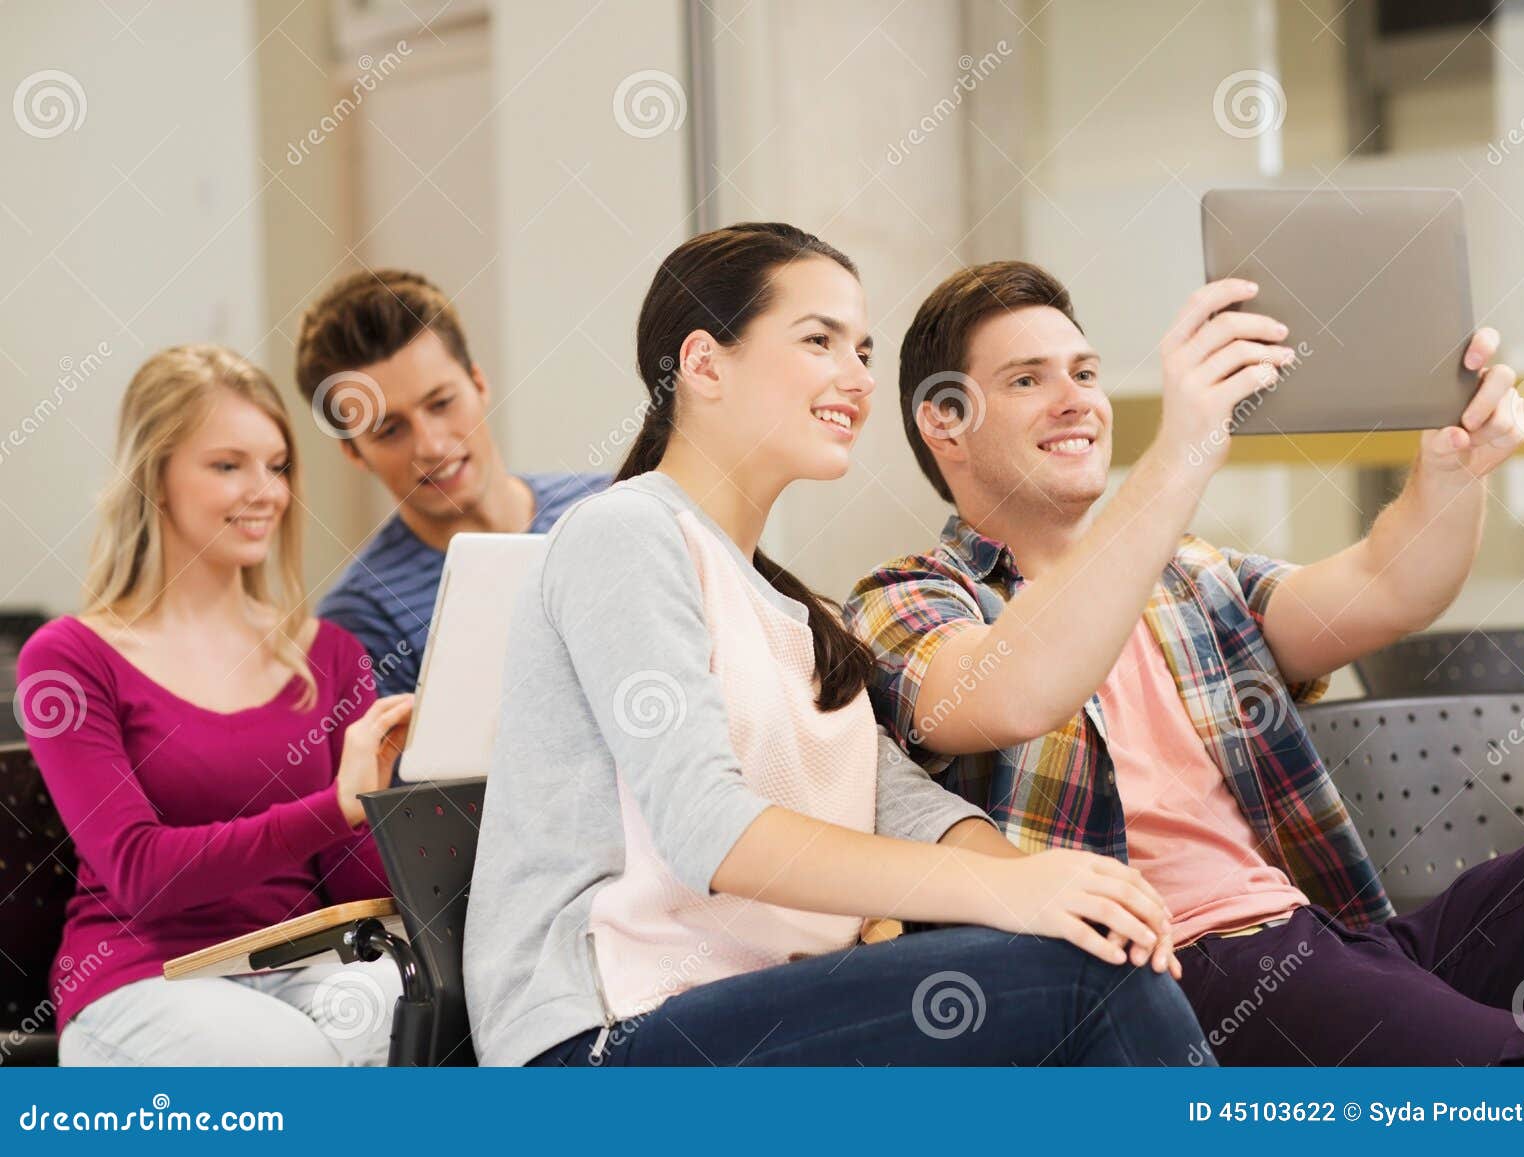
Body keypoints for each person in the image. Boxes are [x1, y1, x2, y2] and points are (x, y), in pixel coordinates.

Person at [464, 224, 1212, 1068]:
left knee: (1100, 953)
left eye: (862, 349)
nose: (858, 379)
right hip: (603, 1035)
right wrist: (1010, 890)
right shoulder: (624, 534)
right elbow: (714, 830)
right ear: (704, 365)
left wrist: (1058, 890)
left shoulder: (793, 606)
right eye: (819, 340)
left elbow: (908, 809)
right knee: (1089, 986)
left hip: (741, 1004)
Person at [846, 259, 1524, 1066]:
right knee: (1517, 1086)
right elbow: (1010, 691)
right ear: (945, 421)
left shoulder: (1187, 574)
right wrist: (1187, 444)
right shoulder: (908, 601)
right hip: (1177, 976)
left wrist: (1450, 470)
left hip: (1330, 936)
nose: (1077, 400)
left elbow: (1388, 586)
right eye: (1029, 379)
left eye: (1087, 373)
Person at [16, 346, 413, 1066]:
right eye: (228, 465)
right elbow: (139, 869)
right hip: (143, 978)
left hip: (299, 962)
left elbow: (355, 881)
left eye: (278, 464)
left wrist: (404, 803)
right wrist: (338, 804)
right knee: (288, 1059)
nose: (264, 489)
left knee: (407, 1010)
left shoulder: (329, 656)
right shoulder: (69, 659)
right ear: (155, 478)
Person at [294, 269, 610, 694]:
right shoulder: (362, 620)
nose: (431, 445)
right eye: (390, 431)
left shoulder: (612, 505)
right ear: (353, 452)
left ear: (478, 383)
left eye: (441, 403)